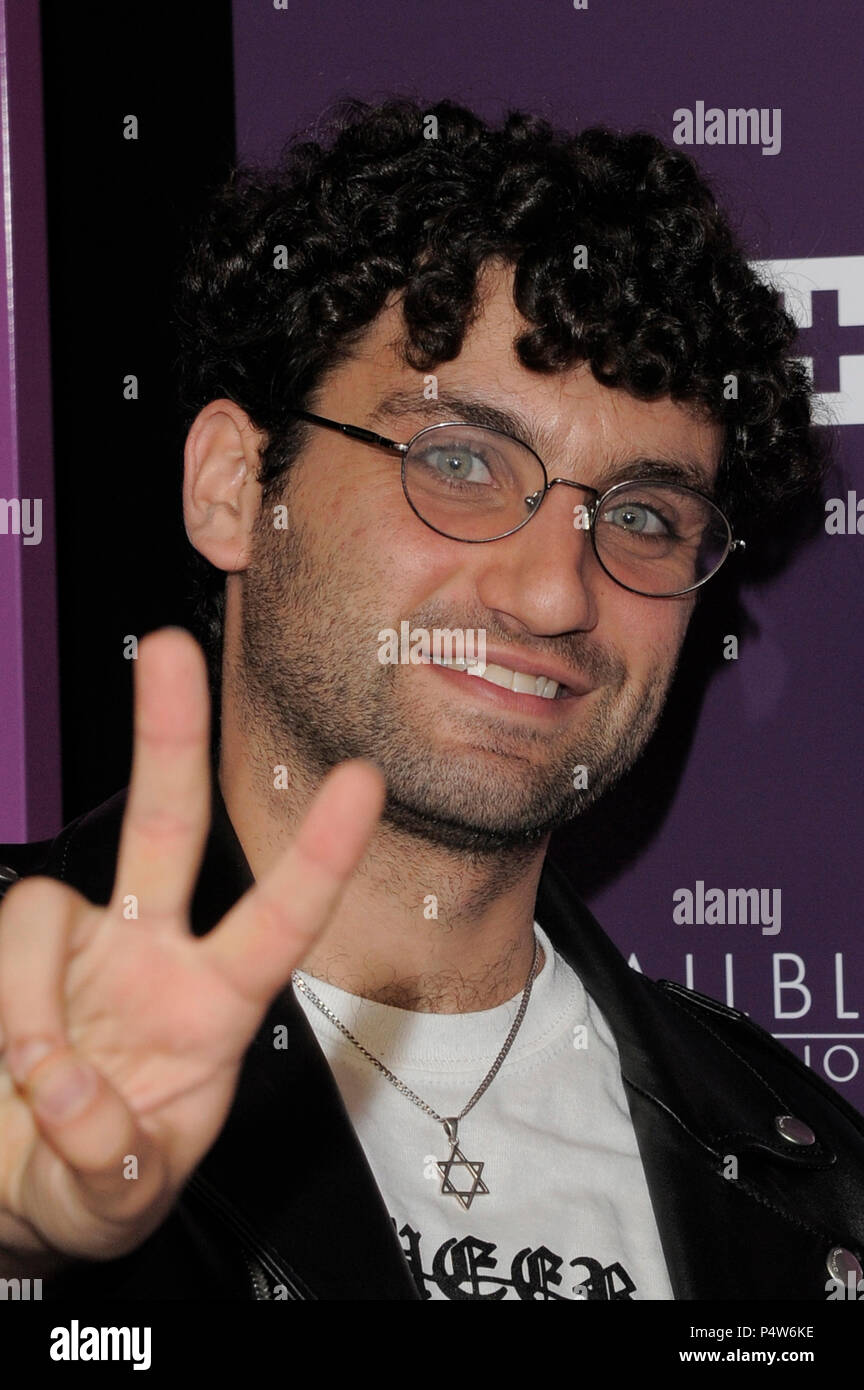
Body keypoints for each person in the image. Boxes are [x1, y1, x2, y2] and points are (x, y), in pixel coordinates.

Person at [1, 97, 862, 1303]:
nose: (556, 592)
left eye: (645, 516)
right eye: (460, 461)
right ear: (236, 487)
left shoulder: (810, 1182)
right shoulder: (11, 1022)